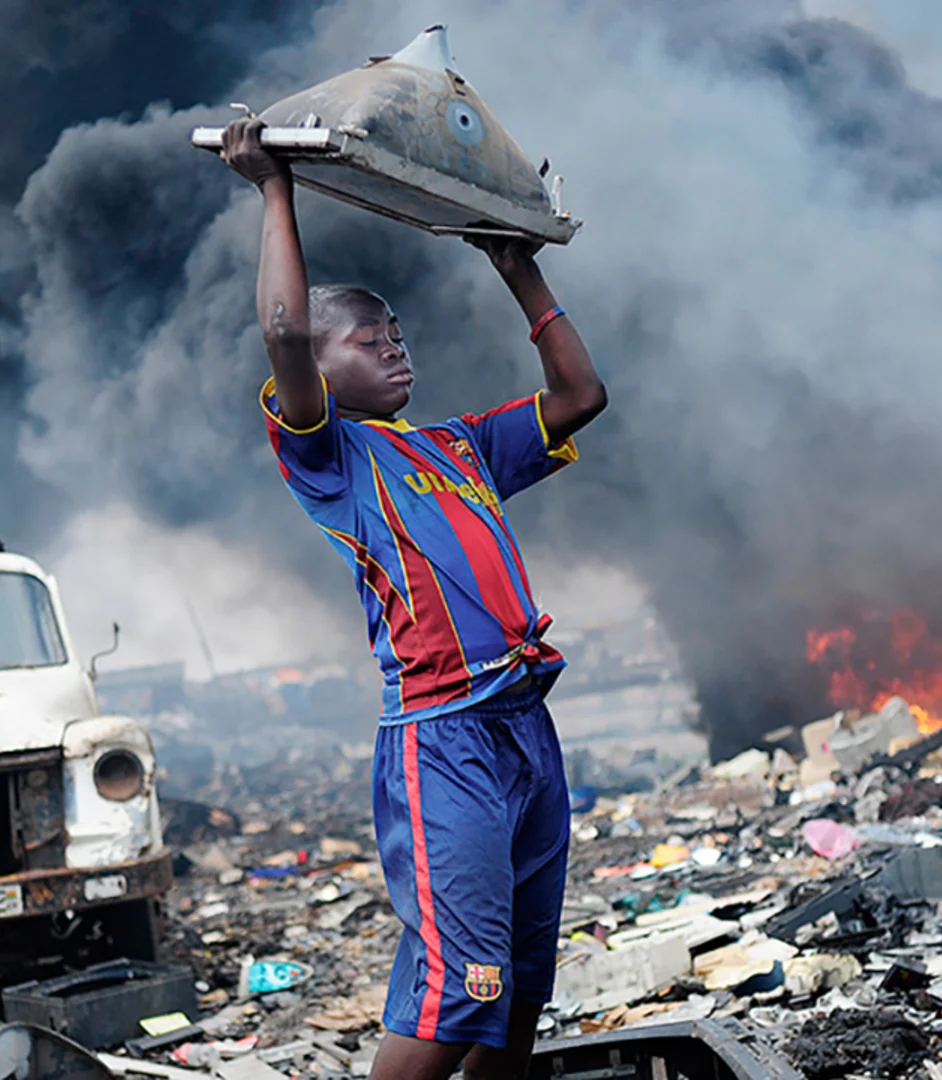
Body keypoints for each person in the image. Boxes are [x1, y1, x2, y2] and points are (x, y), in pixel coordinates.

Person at [221, 119, 608, 1080]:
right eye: (368, 337)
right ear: (318, 362)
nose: (395, 349)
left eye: (398, 335)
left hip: (524, 728)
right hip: (446, 741)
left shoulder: (459, 446)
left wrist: (518, 270)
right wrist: (276, 187)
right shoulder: (329, 455)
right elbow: (280, 325)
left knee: (517, 995)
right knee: (455, 998)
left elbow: (581, 395)